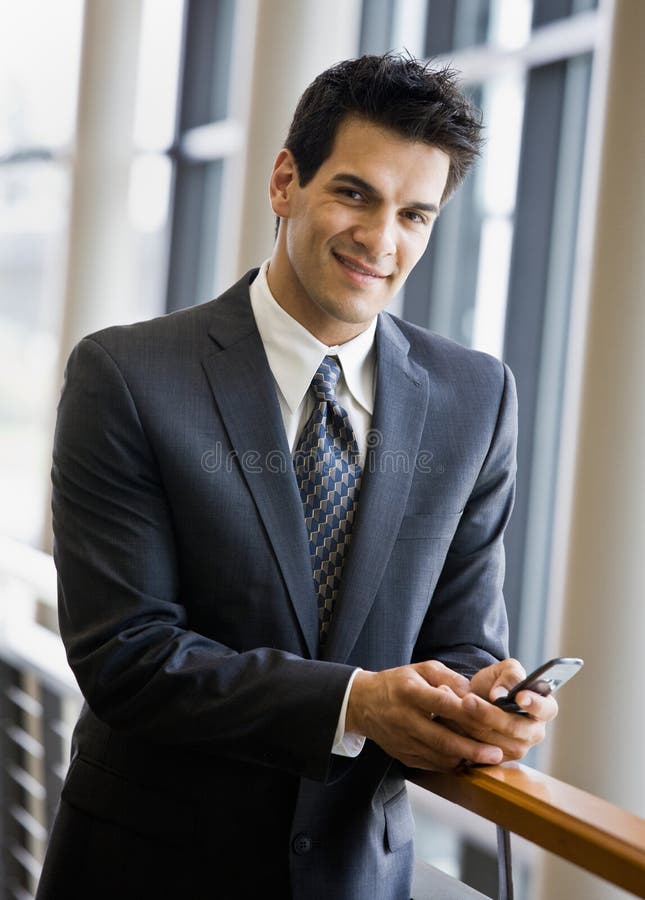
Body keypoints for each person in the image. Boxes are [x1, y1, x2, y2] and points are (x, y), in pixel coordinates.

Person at [37, 54, 557, 900]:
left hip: (358, 873)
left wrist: (485, 695)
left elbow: (462, 635)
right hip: (150, 868)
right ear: (285, 182)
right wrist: (353, 703)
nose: (380, 241)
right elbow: (128, 657)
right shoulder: (127, 376)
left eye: (414, 214)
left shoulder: (475, 397)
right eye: (354, 193)